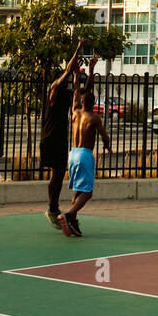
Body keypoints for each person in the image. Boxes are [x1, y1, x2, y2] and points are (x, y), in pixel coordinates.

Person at [39, 42, 82, 228]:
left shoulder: (65, 94)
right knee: (55, 172)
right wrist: (77, 48)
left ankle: (53, 207)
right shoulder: (54, 90)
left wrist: (78, 74)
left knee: (58, 173)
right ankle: (52, 207)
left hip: (61, 136)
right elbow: (64, 75)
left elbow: (81, 93)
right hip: (50, 136)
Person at [59, 89, 110, 237]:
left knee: (79, 190)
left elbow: (75, 96)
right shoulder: (94, 118)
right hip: (85, 154)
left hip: (73, 153)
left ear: (81, 102)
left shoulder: (74, 113)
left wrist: (76, 77)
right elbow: (104, 136)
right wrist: (107, 146)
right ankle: (69, 214)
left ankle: (73, 222)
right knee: (87, 192)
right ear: (94, 103)